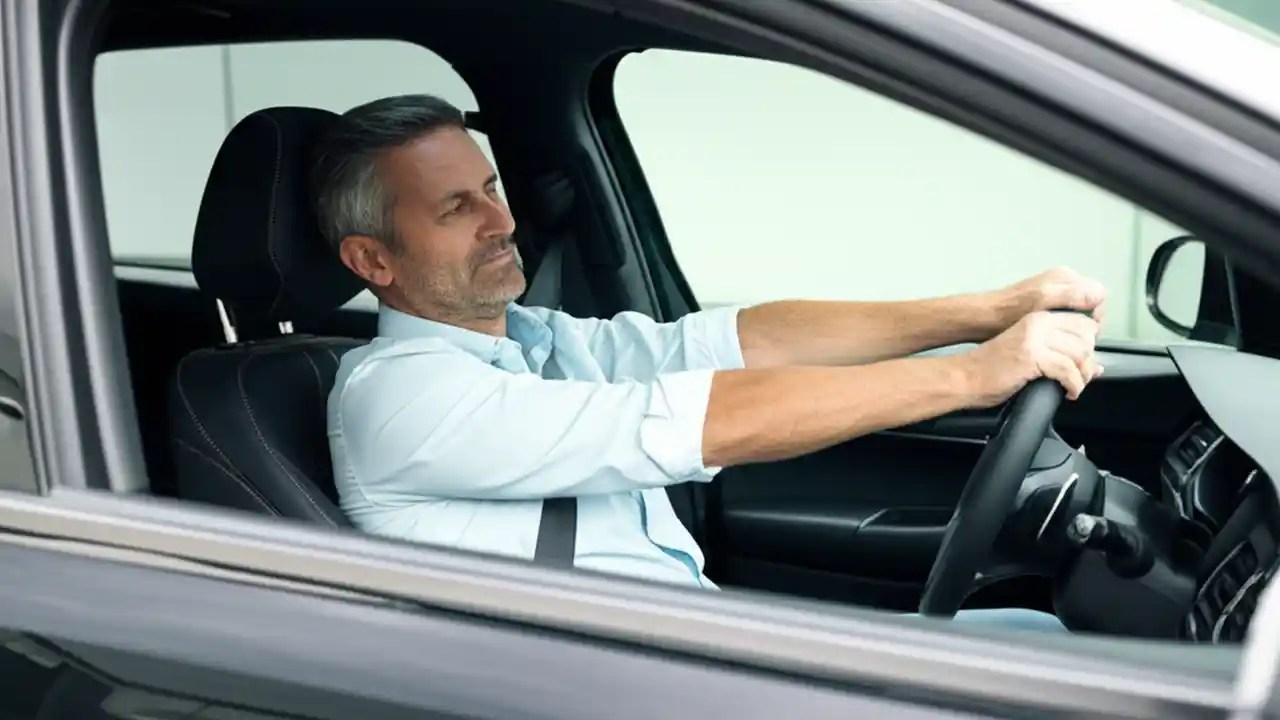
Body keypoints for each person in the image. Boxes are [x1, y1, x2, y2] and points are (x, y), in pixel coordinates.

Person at [315, 95, 1105, 631]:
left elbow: (741, 343)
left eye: (490, 188)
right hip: (627, 686)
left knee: (1036, 633)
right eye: (457, 208)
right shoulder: (397, 396)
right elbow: (698, 419)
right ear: (372, 260)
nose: (502, 220)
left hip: (697, 639)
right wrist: (970, 376)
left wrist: (987, 311)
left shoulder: (539, 341)